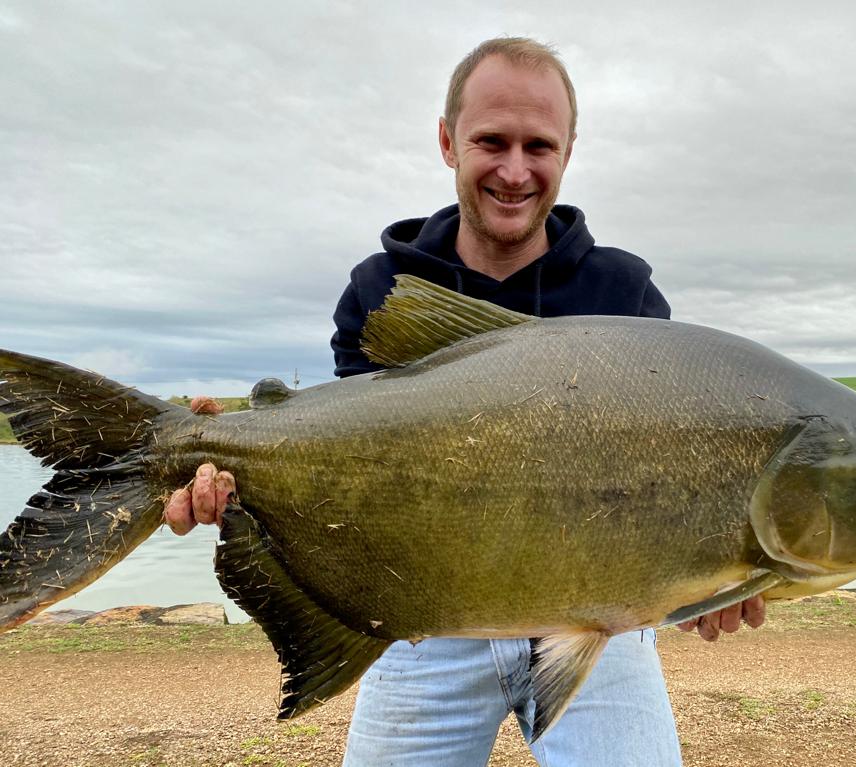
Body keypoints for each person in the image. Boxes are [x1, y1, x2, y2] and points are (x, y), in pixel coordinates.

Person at [164, 37, 766, 766]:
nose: (515, 170)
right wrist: (232, 471)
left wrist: (716, 579)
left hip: (602, 625)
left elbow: (669, 486)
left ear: (568, 152)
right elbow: (345, 476)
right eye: (491, 141)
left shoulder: (626, 298)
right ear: (448, 141)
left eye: (538, 146)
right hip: (422, 620)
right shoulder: (381, 291)